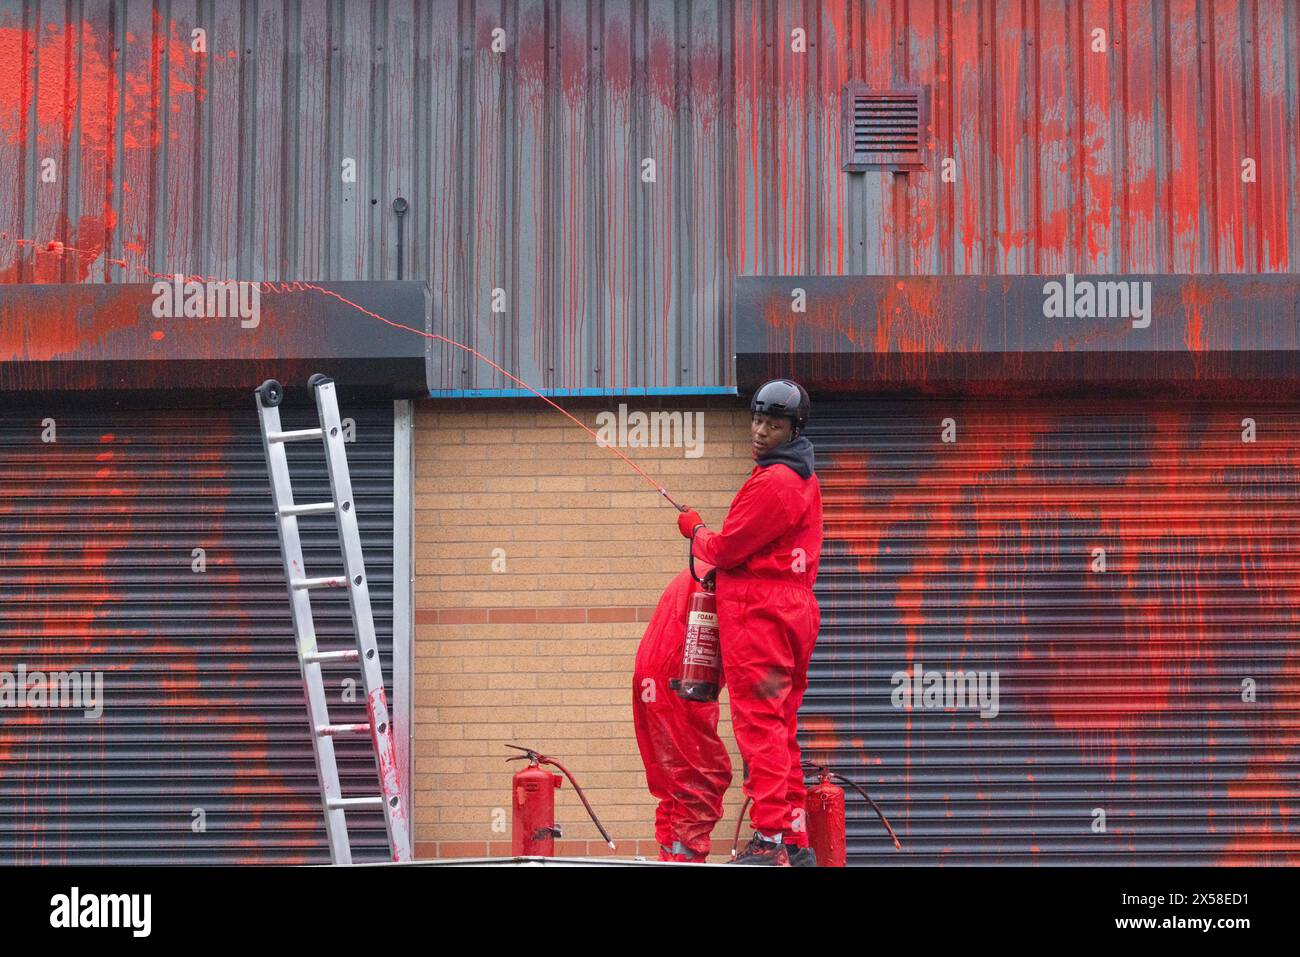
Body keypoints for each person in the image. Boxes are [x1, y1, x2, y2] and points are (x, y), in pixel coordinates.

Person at [674, 379, 822, 866]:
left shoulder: (776, 481)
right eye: (756, 421)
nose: (760, 432)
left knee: (760, 725)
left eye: (772, 425)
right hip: (791, 611)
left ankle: (769, 840)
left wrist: (694, 528)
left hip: (760, 612)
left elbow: (728, 549)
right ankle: (793, 837)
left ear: (793, 428)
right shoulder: (801, 477)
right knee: (780, 725)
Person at [632, 565, 732, 862]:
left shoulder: (700, 571)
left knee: (674, 786)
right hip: (682, 678)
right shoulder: (731, 571)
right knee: (700, 777)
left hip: (654, 674)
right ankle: (686, 860)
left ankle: (672, 857)